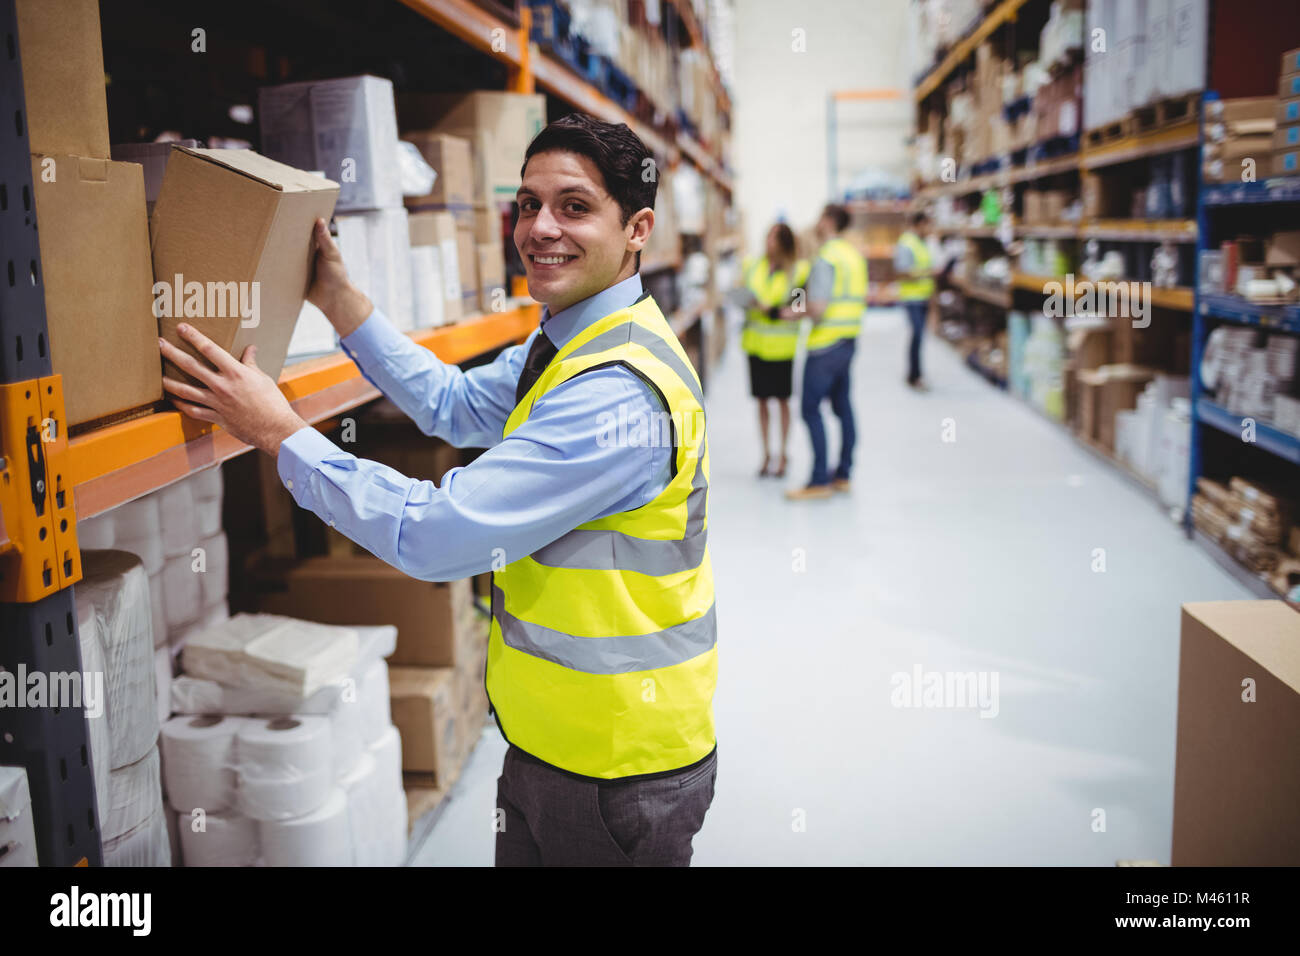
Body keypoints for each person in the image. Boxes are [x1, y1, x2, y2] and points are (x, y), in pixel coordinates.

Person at [157, 112, 718, 867]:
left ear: (638, 228)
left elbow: (438, 534)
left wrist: (279, 432)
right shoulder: (572, 343)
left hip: (615, 767)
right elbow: (452, 404)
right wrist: (342, 304)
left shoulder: (616, 394)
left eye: (575, 206)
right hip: (551, 743)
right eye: (528, 204)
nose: (540, 227)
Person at [784, 203, 867, 501]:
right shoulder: (853, 256)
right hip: (848, 340)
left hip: (825, 344)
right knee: (843, 406)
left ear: (829, 221)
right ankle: (843, 474)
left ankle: (819, 479)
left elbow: (817, 308)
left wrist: (792, 313)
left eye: (820, 218)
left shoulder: (826, 257)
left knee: (810, 408)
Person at [737, 223, 808, 478]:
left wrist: (774, 312)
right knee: (762, 402)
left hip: (781, 348)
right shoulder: (753, 266)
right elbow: (742, 292)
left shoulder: (798, 272)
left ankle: (783, 453)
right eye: (767, 236)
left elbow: (800, 308)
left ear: (784, 243)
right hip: (755, 344)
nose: (768, 242)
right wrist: (745, 300)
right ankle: (766, 453)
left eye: (774, 238)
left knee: (783, 401)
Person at [895, 210, 936, 389]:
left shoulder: (923, 243)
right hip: (912, 298)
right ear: (919, 224)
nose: (930, 228)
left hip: (923, 296)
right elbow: (902, 272)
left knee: (919, 336)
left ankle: (915, 374)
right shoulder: (907, 243)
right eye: (928, 224)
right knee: (917, 335)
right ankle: (914, 376)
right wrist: (926, 273)